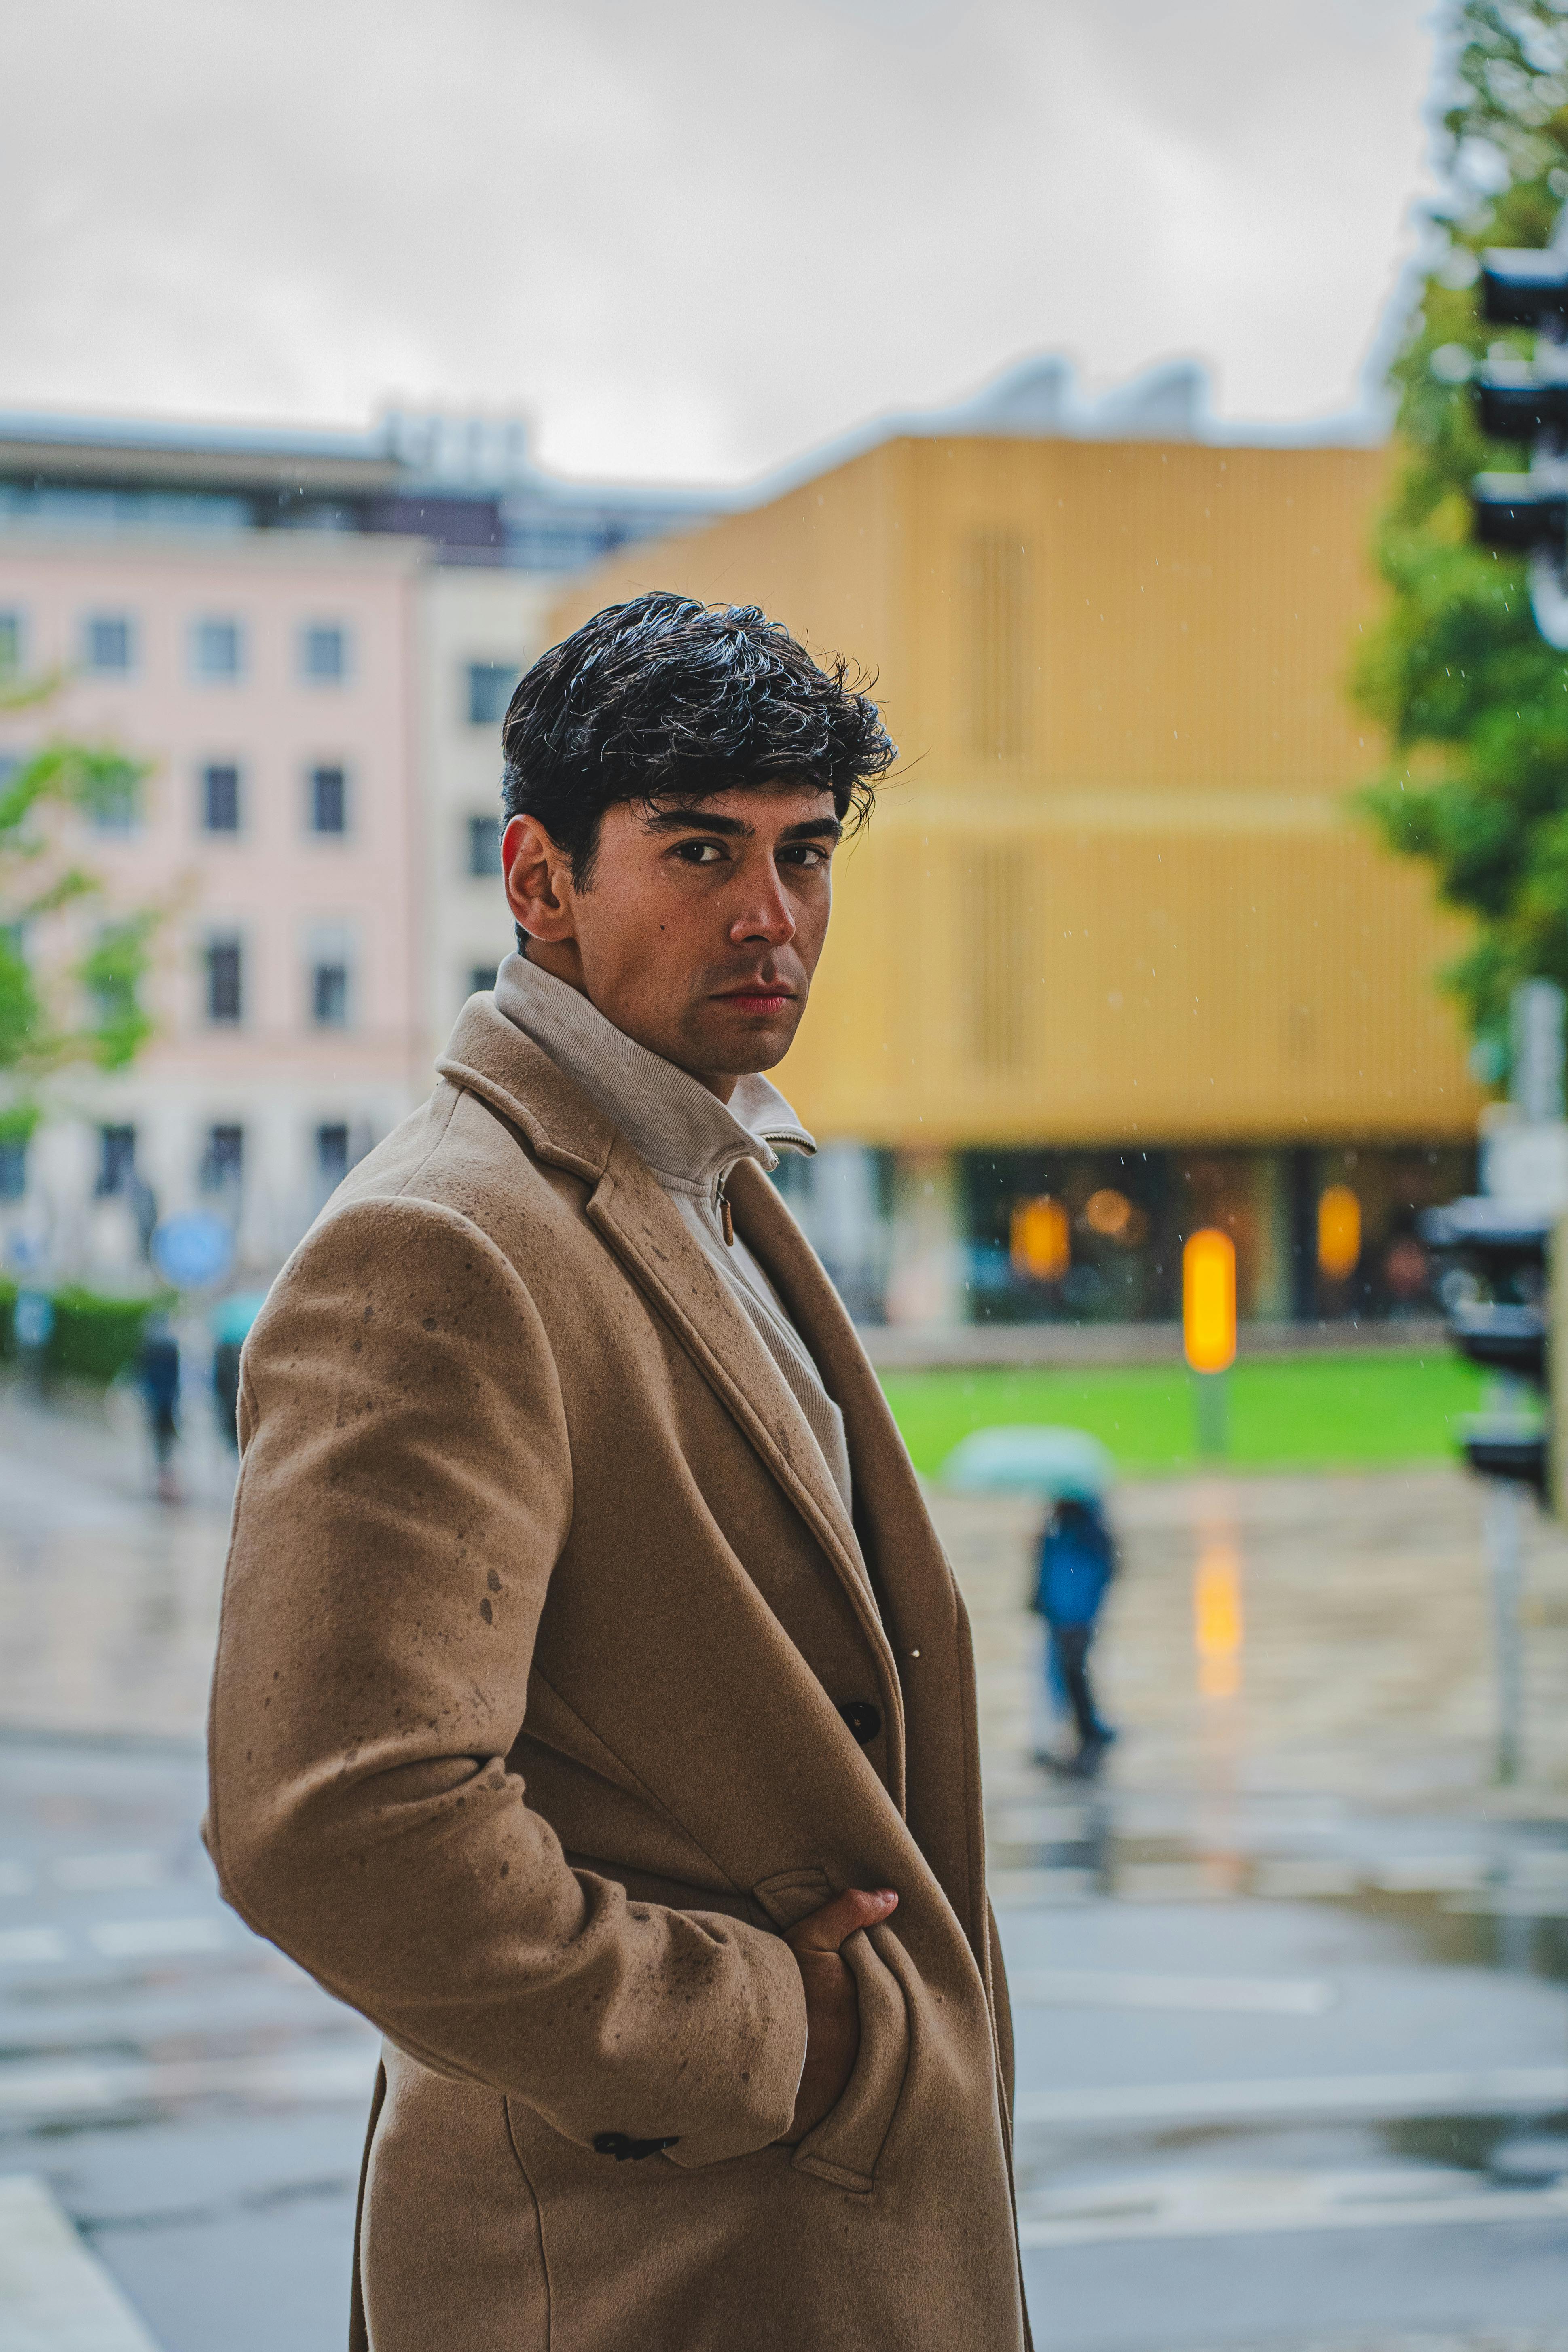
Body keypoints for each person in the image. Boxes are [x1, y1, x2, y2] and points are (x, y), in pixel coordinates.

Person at [205, 595, 1029, 2352]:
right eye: (702, 850)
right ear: (539, 879)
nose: (771, 915)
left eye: (806, 854)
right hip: (639, 2263)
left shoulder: (698, 1174)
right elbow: (335, 1825)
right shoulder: (443, 1246)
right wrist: (785, 2045)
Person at [1032, 1492, 1118, 1778]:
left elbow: (1101, 1571)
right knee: (1068, 1673)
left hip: (1076, 1615)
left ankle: (1088, 1730)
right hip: (1062, 1613)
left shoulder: (1087, 1531)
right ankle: (1085, 1730)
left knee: (1073, 1673)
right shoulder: (1056, 1530)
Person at [136, 1315, 181, 1504]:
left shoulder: (150, 1347)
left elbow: (141, 1374)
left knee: (159, 1442)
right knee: (168, 1442)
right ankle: (167, 1479)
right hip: (169, 1403)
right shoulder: (171, 1348)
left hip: (156, 1402)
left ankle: (162, 1478)